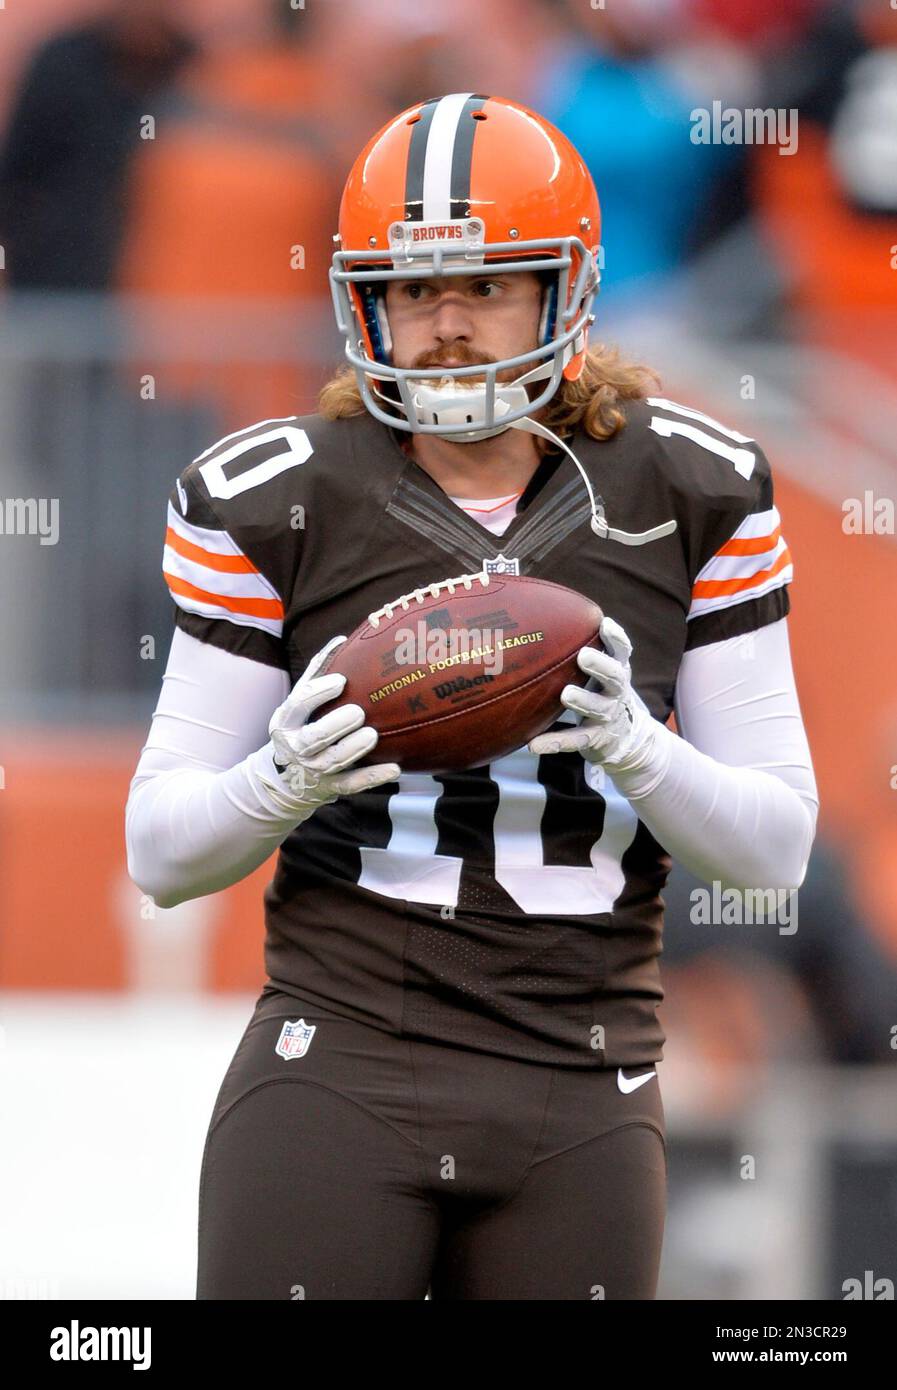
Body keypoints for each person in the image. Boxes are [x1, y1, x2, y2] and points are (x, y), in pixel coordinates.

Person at [125, 93, 818, 1300]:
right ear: (362, 301)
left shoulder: (691, 488)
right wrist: (278, 780)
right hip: (341, 1061)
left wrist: (638, 748)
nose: (446, 327)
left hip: (582, 1072)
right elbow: (161, 853)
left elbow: (777, 854)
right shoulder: (281, 497)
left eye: (487, 286)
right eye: (411, 289)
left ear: (568, 291)